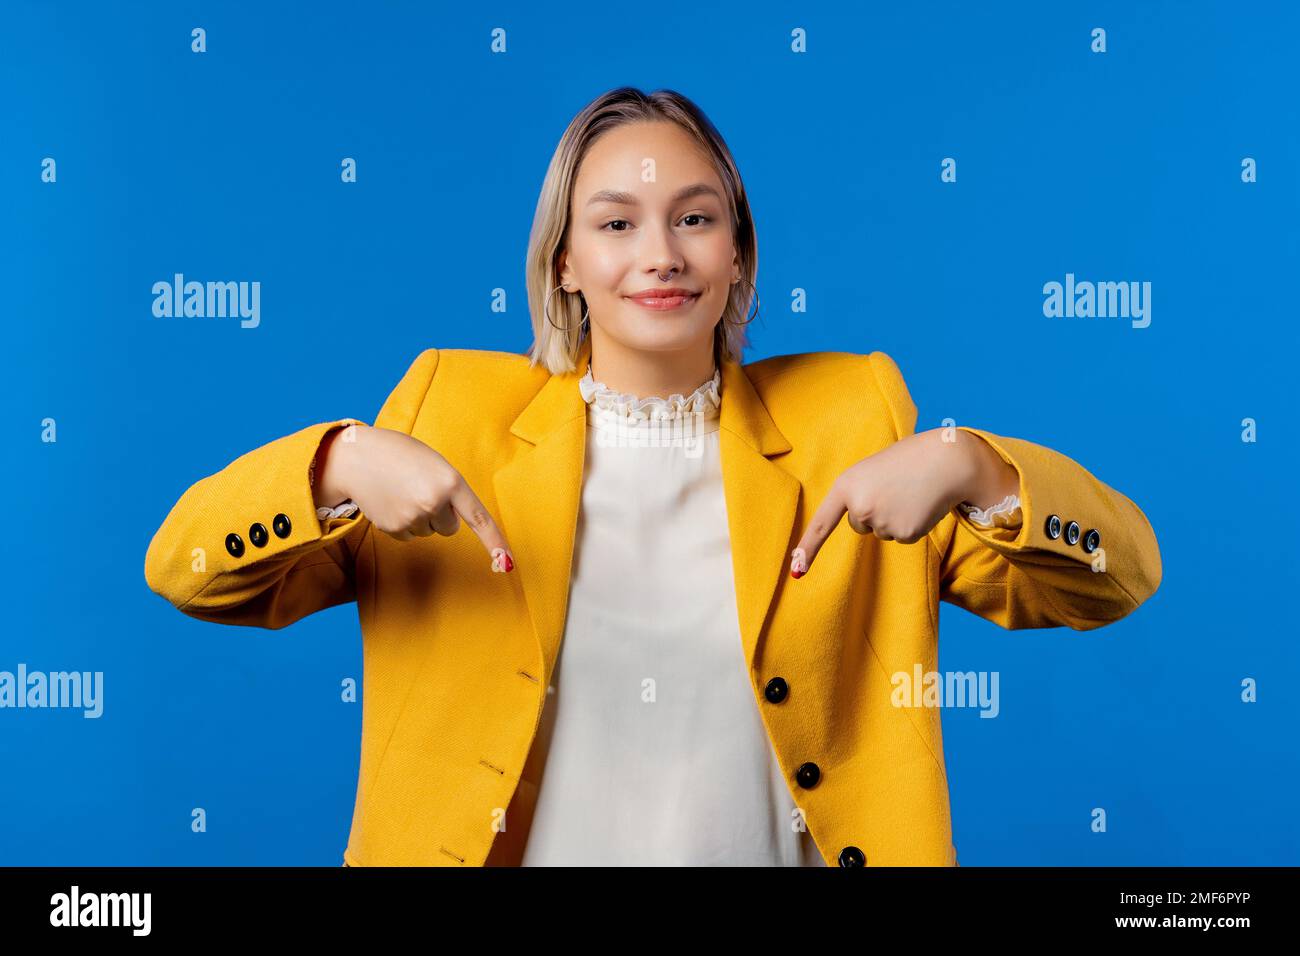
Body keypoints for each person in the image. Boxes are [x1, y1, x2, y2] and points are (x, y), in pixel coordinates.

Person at [144, 87, 1162, 867]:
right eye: (616, 222)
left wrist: (972, 466)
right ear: (565, 266)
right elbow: (187, 570)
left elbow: (1117, 577)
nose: (661, 255)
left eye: (694, 217)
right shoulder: (449, 414)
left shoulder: (851, 418)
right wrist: (339, 461)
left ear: (736, 252)